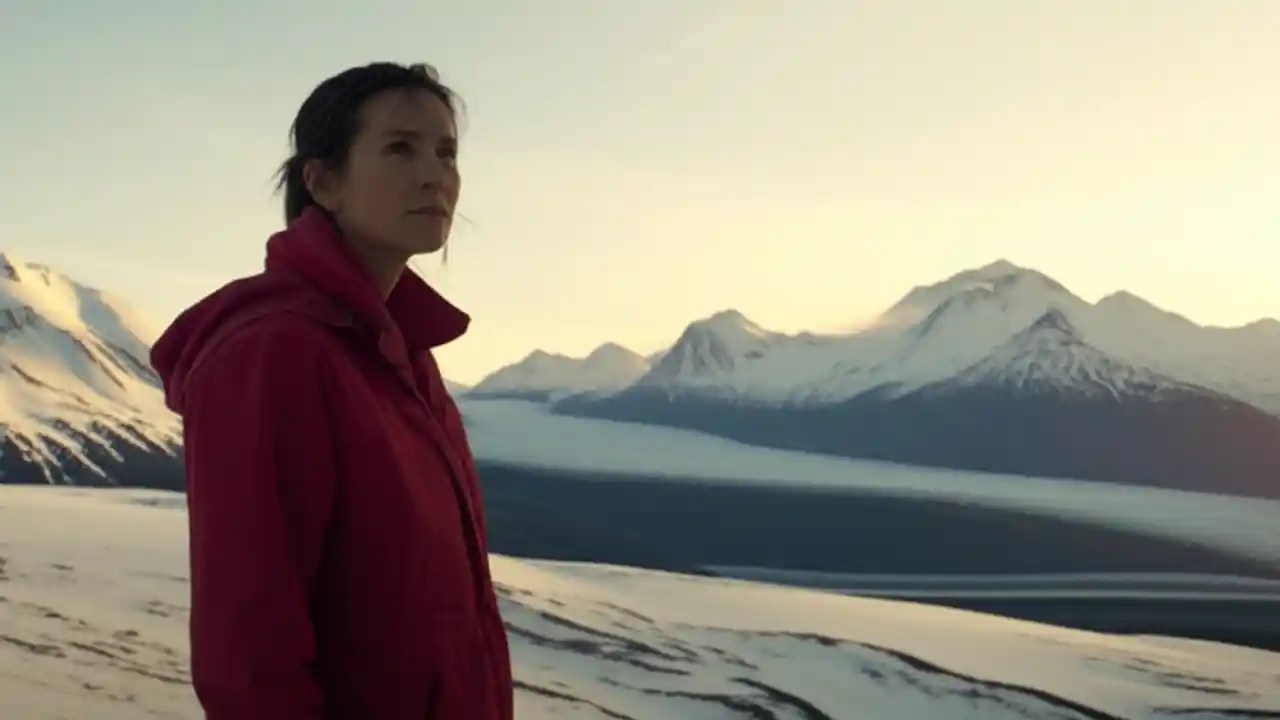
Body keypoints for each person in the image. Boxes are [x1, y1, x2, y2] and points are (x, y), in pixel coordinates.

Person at [151, 61, 513, 719]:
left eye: (446, 152)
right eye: (400, 148)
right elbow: (249, 655)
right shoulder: (275, 353)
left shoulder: (404, 354)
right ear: (322, 182)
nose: (435, 175)